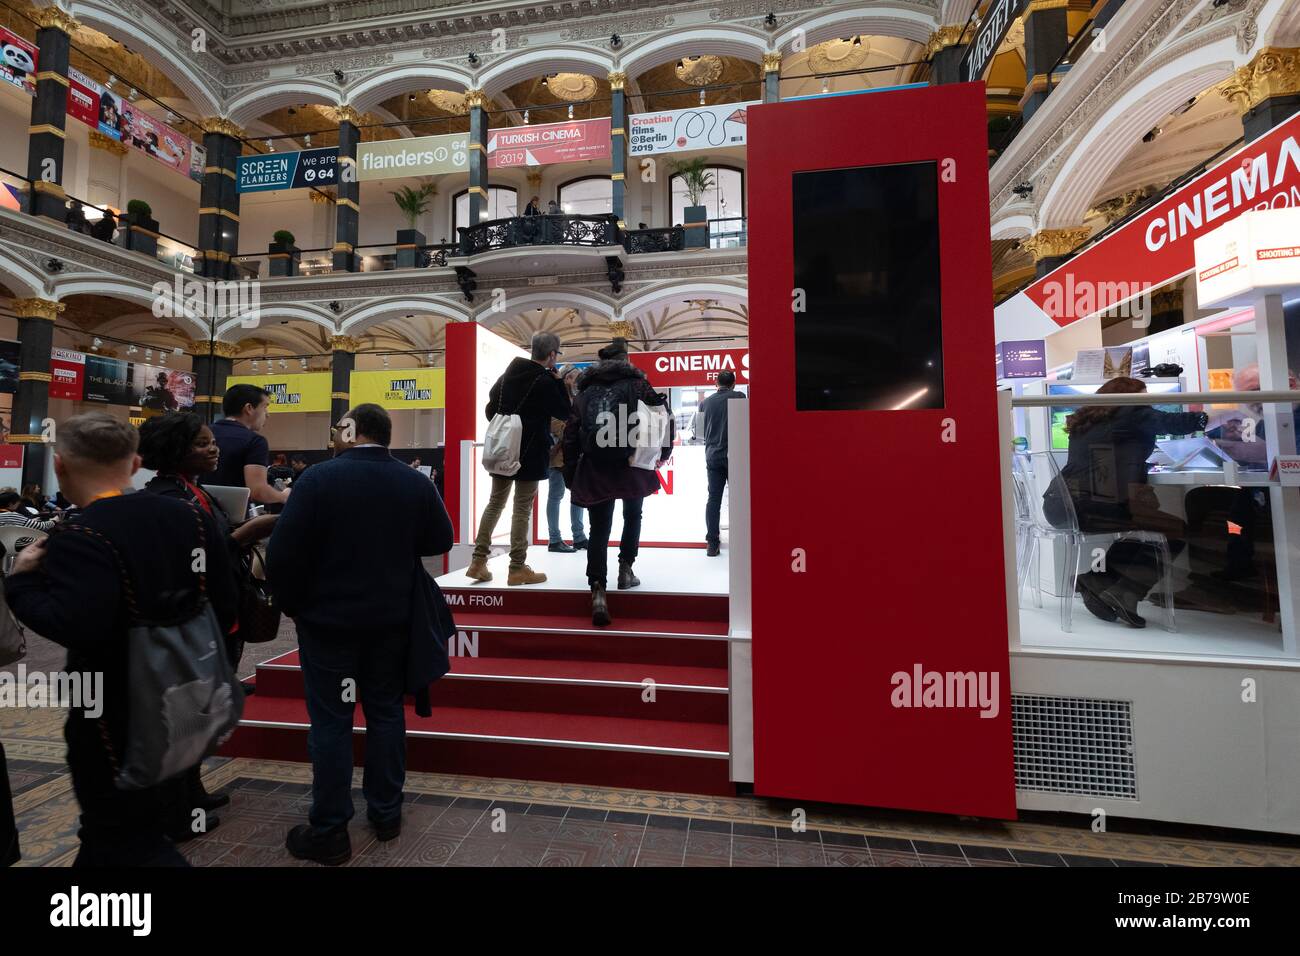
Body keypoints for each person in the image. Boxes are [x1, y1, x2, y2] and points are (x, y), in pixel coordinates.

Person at [6, 413, 238, 866]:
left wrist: (21, 585)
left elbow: (76, 625)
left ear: (62, 465)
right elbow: (224, 601)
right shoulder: (190, 516)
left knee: (117, 826)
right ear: (134, 463)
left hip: (109, 704)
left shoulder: (80, 532)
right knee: (131, 824)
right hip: (185, 688)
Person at [267, 404, 454, 865]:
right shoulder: (413, 482)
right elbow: (440, 541)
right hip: (391, 621)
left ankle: (330, 829)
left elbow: (283, 552)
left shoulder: (316, 479)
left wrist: (296, 606)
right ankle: (386, 813)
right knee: (386, 713)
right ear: (386, 436)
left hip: (328, 624)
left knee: (331, 721)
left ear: (352, 431)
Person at [1044, 377, 1208, 628]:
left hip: (1060, 504)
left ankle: (1098, 580)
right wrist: (1210, 415)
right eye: (1146, 397)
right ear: (1133, 396)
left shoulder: (1089, 419)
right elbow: (1174, 423)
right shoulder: (1132, 412)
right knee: (1174, 530)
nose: (1149, 402)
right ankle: (1124, 592)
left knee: (1142, 526)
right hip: (1091, 505)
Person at [563, 337, 674, 626]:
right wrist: (662, 453)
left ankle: (598, 590)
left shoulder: (585, 391)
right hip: (631, 464)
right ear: (626, 361)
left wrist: (571, 470)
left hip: (595, 465)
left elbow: (571, 433)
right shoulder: (638, 385)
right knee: (632, 514)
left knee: (599, 527)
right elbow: (663, 417)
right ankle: (626, 570)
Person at [466, 332, 571, 586]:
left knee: (495, 503)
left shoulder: (507, 376)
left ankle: (478, 561)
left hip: (503, 450)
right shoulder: (545, 381)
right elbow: (564, 411)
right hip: (530, 452)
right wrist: (559, 382)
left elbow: (490, 410)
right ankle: (516, 567)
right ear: (552, 355)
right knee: (522, 508)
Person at [204, 383, 290, 508]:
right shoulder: (255, 441)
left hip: (196, 509)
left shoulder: (202, 433)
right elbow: (258, 491)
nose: (267, 414)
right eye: (265, 407)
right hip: (231, 517)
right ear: (249, 408)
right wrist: (284, 496)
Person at [694, 370, 746, 556]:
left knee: (714, 499)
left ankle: (712, 543)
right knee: (738, 499)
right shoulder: (740, 397)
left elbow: (699, 433)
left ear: (716, 383)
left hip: (713, 455)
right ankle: (741, 539)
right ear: (734, 383)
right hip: (736, 455)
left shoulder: (704, 403)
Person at [546, 365, 588, 552]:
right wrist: (576, 430)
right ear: (564, 379)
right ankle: (554, 539)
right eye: (571, 376)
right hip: (558, 456)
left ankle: (578, 537)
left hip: (575, 456)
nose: (575, 380)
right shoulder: (556, 400)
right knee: (556, 496)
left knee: (577, 495)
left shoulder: (579, 400)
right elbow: (558, 427)